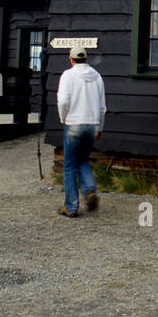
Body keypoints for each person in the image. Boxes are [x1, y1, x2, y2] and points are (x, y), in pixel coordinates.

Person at [56, 44, 105, 217]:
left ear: (71, 59)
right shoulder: (97, 76)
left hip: (74, 124)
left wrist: (63, 119)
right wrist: (100, 128)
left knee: (69, 165)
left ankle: (71, 206)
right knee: (83, 160)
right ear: (85, 58)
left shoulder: (68, 76)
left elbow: (63, 102)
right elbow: (102, 107)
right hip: (92, 125)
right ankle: (90, 190)